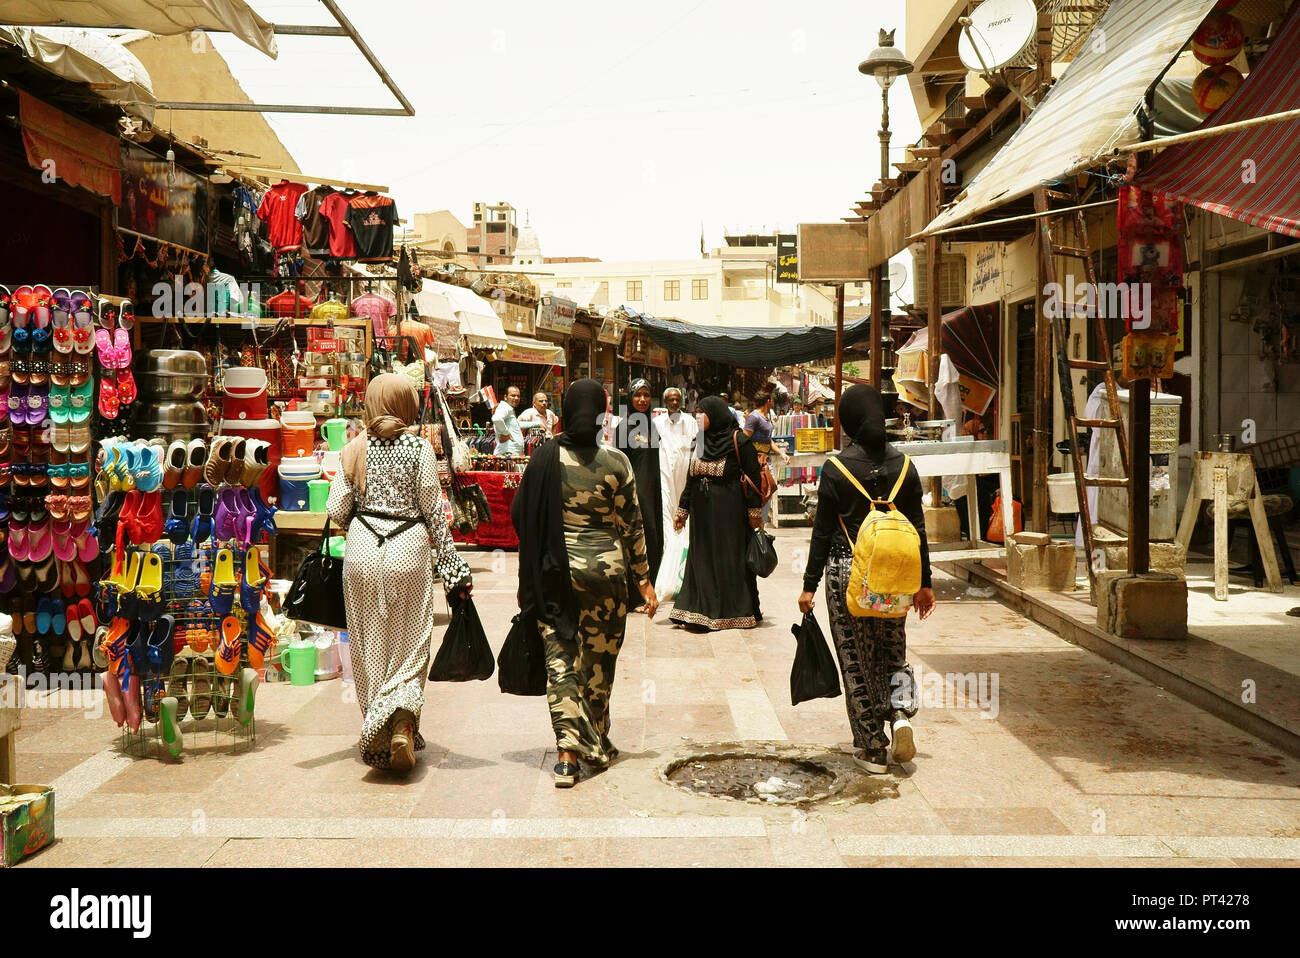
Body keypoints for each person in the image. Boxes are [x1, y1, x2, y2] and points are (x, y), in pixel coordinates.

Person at [513, 379, 656, 788]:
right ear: (601, 413)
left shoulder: (543, 457)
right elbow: (633, 528)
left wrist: (541, 556)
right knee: (598, 664)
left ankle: (567, 756)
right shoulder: (616, 462)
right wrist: (644, 581)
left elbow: (521, 512)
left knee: (561, 664)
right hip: (606, 578)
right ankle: (597, 740)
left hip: (556, 578)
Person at [327, 373, 472, 773]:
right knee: (410, 648)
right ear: (407, 404)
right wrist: (454, 568)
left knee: (369, 645)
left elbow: (336, 510)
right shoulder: (419, 448)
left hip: (361, 552)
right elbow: (434, 515)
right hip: (408, 550)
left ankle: (376, 723)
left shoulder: (353, 448)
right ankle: (402, 725)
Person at [797, 383, 933, 775]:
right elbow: (918, 529)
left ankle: (873, 747)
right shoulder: (905, 467)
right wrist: (925, 583)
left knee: (856, 659)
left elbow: (822, 533)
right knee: (893, 650)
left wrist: (808, 586)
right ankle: (901, 713)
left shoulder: (836, 469)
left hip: (848, 575)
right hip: (896, 576)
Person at [670, 395, 764, 631]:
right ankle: (698, 610)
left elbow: (753, 478)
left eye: (703, 413)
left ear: (716, 415)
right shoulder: (699, 442)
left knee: (727, 559)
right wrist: (682, 509)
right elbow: (691, 479)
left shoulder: (739, 440)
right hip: (701, 513)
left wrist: (754, 513)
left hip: (729, 512)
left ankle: (731, 612)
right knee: (701, 559)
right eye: (696, 412)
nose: (697, 417)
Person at [615, 379, 663, 610]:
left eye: (646, 395)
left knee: (653, 540)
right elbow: (619, 464)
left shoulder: (651, 425)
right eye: (637, 395)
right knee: (636, 541)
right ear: (629, 398)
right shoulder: (624, 427)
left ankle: (648, 590)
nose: (642, 400)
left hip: (653, 493)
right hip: (635, 494)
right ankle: (634, 595)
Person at [654, 386, 698, 542]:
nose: (674, 402)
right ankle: (668, 545)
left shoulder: (691, 422)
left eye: (677, 400)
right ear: (665, 402)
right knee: (666, 506)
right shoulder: (657, 423)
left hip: (684, 472)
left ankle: (684, 543)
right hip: (665, 471)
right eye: (671, 400)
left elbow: (697, 447)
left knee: (683, 506)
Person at [743, 390, 789, 528]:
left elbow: (769, 441)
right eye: (772, 400)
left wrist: (782, 453)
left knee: (770, 488)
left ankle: (760, 523)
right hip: (755, 461)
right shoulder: (754, 417)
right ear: (768, 401)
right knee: (762, 490)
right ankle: (756, 525)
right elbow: (745, 438)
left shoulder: (767, 417)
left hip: (766, 460)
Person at [492, 385, 524, 455]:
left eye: (518, 396)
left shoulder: (508, 408)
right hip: (508, 453)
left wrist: (538, 424)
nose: (516, 398)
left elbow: (518, 425)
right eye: (513, 396)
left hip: (511, 453)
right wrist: (505, 433)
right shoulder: (505, 407)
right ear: (505, 397)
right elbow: (497, 419)